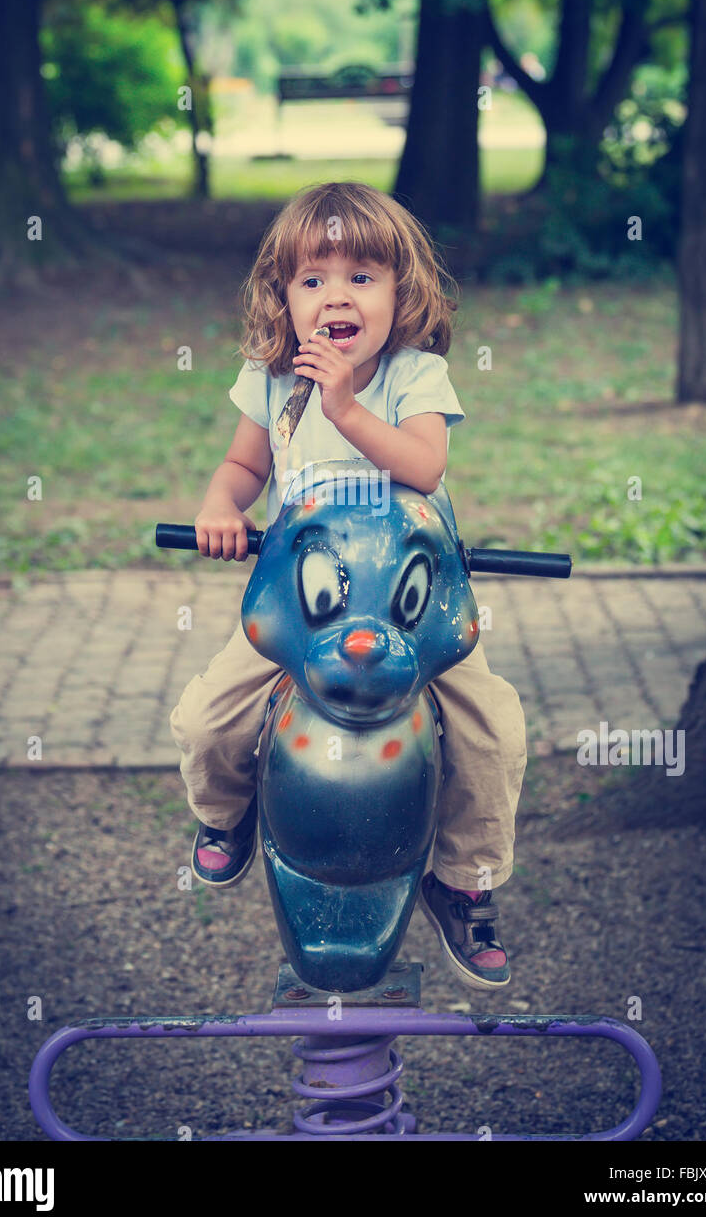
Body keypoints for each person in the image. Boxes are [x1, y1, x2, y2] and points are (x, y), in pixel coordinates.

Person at [169, 182, 527, 989]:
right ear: (283, 298)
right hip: (305, 607)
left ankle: (462, 879)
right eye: (313, 279)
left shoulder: (413, 377)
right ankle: (227, 814)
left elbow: (424, 465)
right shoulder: (270, 382)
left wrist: (346, 405)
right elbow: (241, 467)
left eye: (362, 276)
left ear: (401, 293)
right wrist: (219, 504)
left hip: (409, 606)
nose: (337, 294)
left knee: (492, 727)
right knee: (206, 713)